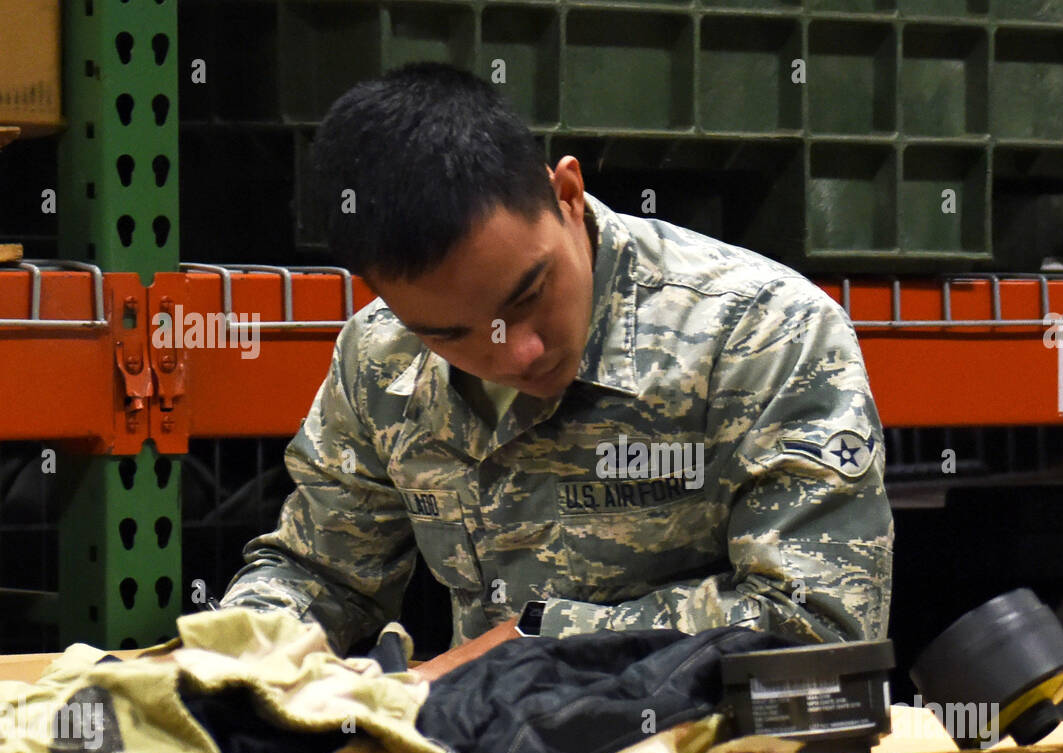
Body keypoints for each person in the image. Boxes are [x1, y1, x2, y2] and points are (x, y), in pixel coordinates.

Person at [220, 61, 893, 681]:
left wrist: (532, 643)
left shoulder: (761, 331)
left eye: (528, 296)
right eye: (453, 335)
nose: (518, 354)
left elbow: (819, 627)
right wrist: (230, 663)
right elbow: (322, 574)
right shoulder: (381, 356)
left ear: (567, 193)